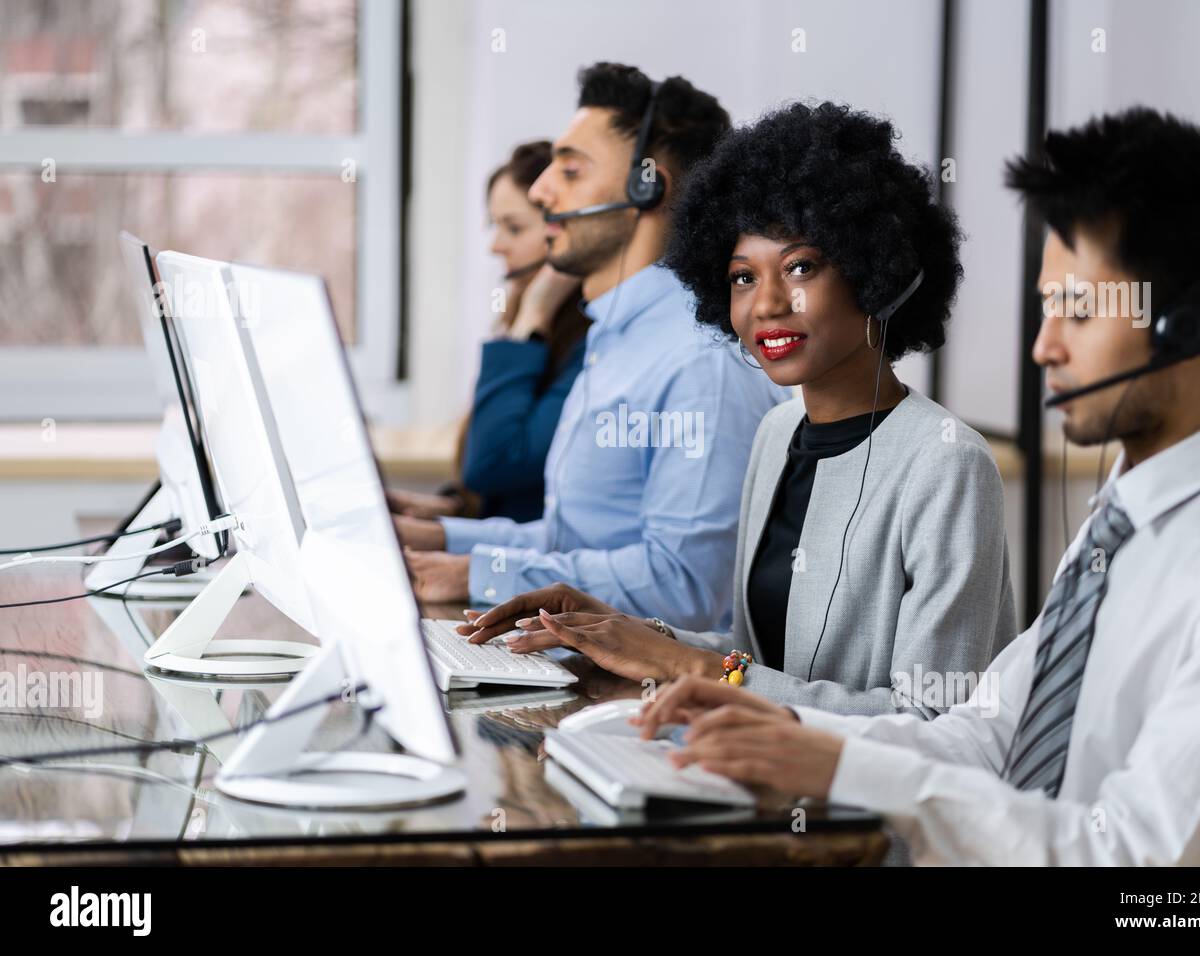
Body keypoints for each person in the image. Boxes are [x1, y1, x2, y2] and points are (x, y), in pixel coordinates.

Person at [632, 108, 1200, 866]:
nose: (1044, 346)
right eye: (1049, 308)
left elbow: (1137, 865)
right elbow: (981, 732)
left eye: (1079, 310)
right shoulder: (1122, 521)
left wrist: (836, 763)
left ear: (1187, 328)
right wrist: (781, 729)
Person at [460, 103, 1016, 715]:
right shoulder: (778, 433)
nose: (767, 303)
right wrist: (633, 635)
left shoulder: (945, 463)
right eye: (743, 277)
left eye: (801, 267)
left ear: (871, 271)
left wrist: (690, 666)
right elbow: (764, 665)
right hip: (755, 777)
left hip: (864, 806)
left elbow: (935, 726)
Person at [398, 63, 785, 631]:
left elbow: (684, 584)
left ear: (647, 186)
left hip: (644, 701)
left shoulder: (702, 362)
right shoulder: (614, 337)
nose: (540, 190)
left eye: (571, 171)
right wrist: (442, 542)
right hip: (579, 655)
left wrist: (475, 575)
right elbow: (573, 537)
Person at [387, 141, 589, 524]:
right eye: (494, 226)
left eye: (513, 227)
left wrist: (533, 317)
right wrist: (449, 509)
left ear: (563, 229)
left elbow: (493, 462)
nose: (496, 246)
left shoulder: (591, 343)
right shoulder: (530, 323)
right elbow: (507, 483)